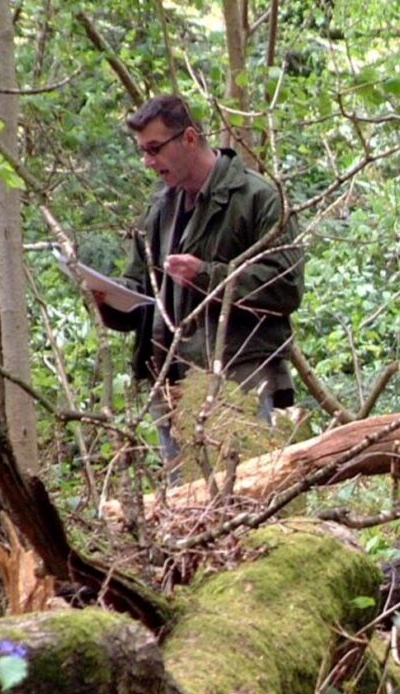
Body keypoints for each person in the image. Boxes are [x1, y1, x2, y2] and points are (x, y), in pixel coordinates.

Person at [96, 94, 304, 467]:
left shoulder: (257, 197)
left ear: (189, 138)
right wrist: (106, 299)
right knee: (184, 511)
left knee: (245, 498)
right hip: (169, 384)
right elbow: (143, 294)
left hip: (237, 380)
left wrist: (206, 275)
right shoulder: (159, 208)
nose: (148, 161)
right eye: (143, 151)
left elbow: (285, 286)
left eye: (155, 149)